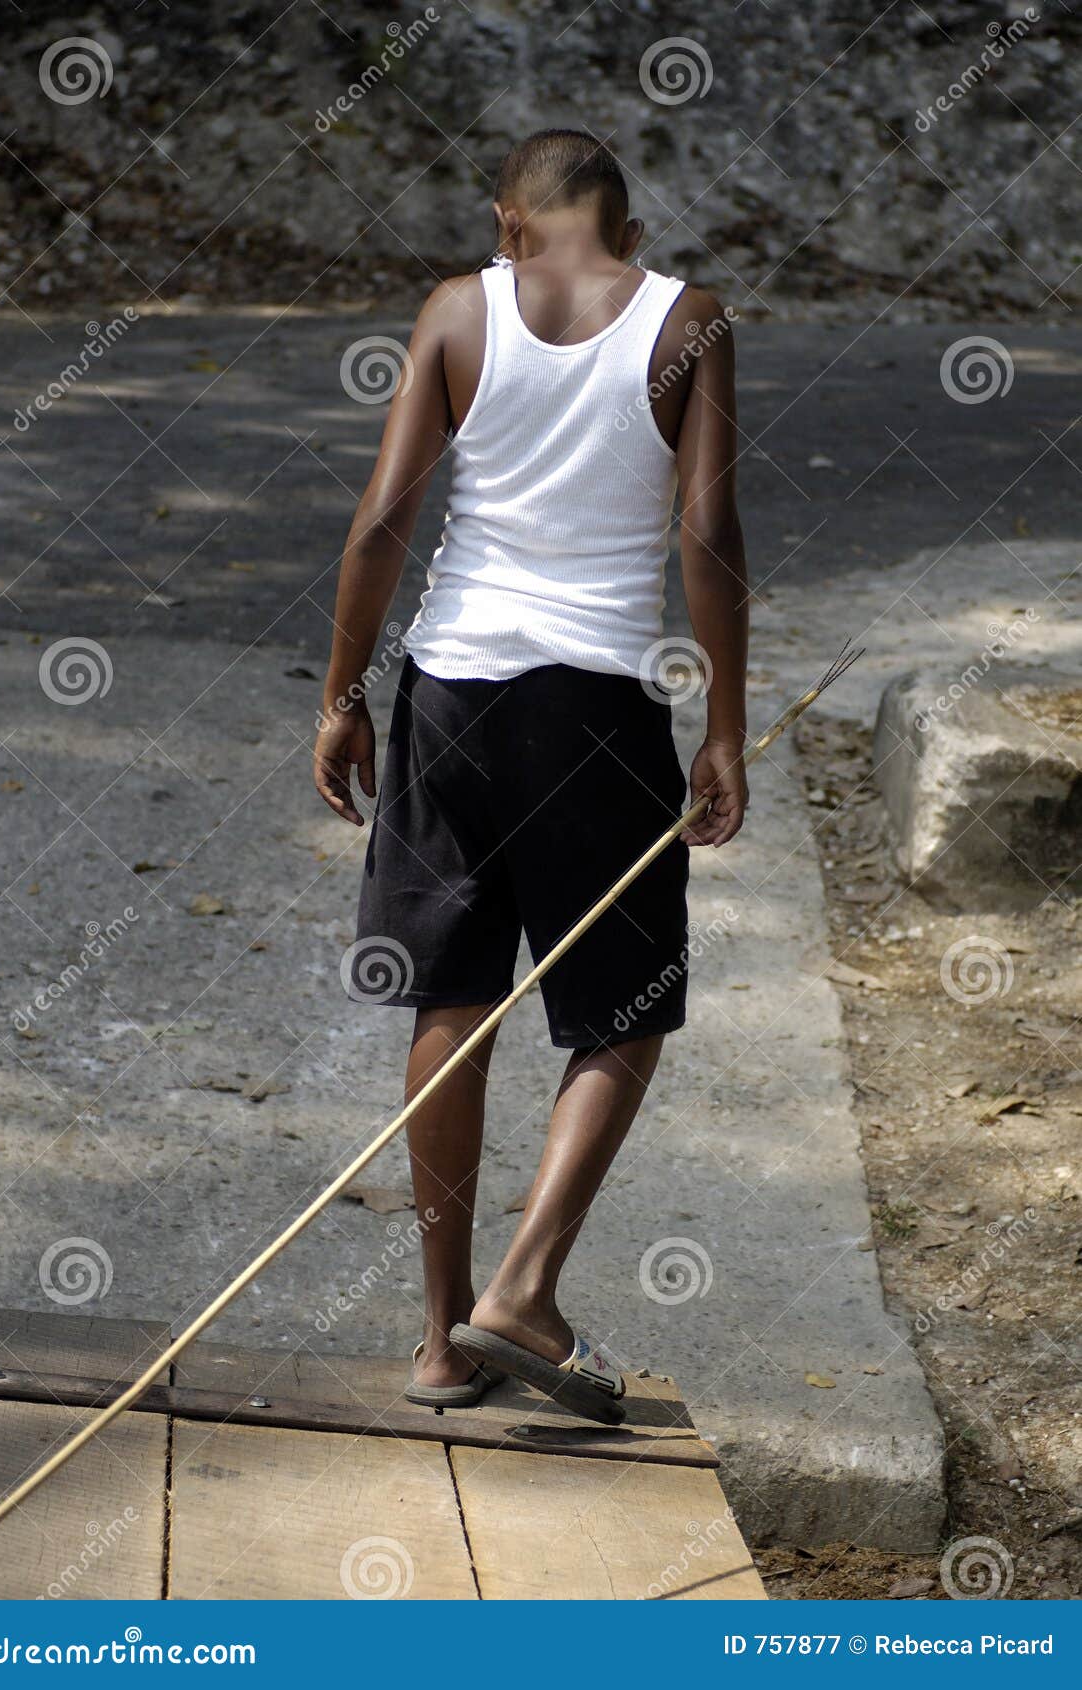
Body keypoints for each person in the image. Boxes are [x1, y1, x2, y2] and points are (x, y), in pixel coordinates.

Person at [314, 129, 748, 1424]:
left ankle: (443, 1343)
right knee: (626, 1004)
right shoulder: (690, 320)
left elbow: (386, 516)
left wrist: (344, 695)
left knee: (448, 995)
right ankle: (523, 1285)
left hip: (446, 692)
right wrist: (723, 720)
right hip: (597, 708)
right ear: (624, 223)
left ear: (512, 224)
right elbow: (708, 529)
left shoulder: (457, 309)